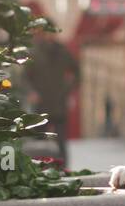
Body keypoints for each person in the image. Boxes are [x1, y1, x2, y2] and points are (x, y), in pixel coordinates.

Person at [22, 27, 81, 162]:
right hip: (41, 103)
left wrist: (69, 89)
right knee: (39, 140)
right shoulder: (34, 52)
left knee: (61, 140)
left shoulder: (62, 51)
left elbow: (76, 71)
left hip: (59, 101)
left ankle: (64, 167)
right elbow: (24, 77)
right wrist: (31, 92)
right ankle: (39, 166)